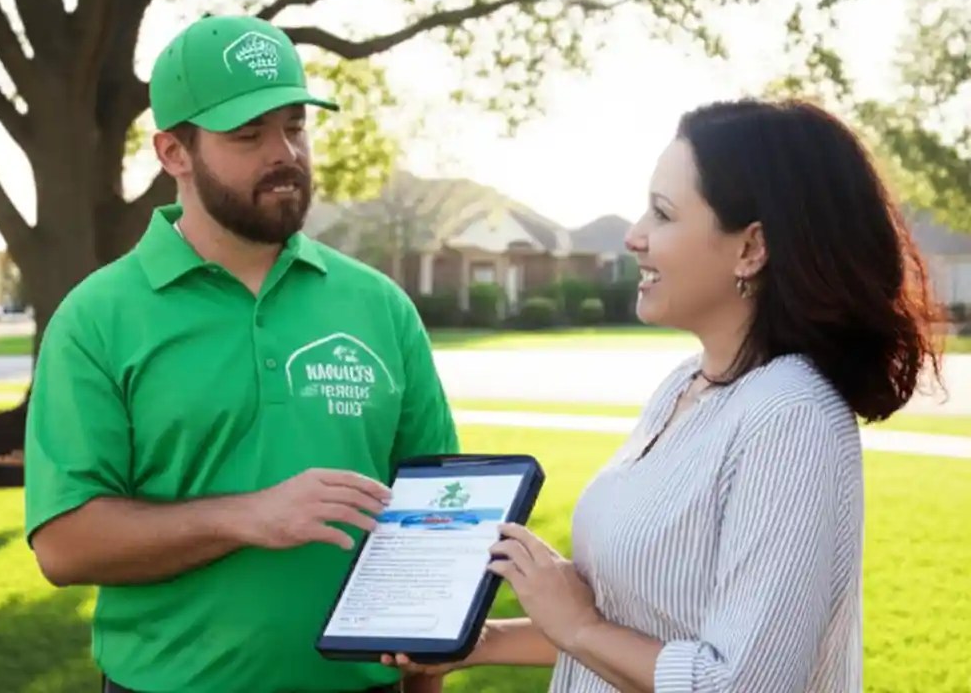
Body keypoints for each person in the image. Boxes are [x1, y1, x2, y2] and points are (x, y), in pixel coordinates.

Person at [383, 98, 946, 691]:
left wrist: (577, 626)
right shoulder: (686, 385)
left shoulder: (792, 416)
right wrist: (482, 642)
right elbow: (634, 621)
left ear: (751, 248)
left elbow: (745, 683)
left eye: (663, 214)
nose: (633, 237)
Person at [22, 14, 459, 693]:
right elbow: (63, 544)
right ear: (174, 152)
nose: (282, 153)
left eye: (293, 126)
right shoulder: (97, 318)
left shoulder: (379, 307)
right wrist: (248, 515)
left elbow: (437, 521)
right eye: (247, 135)